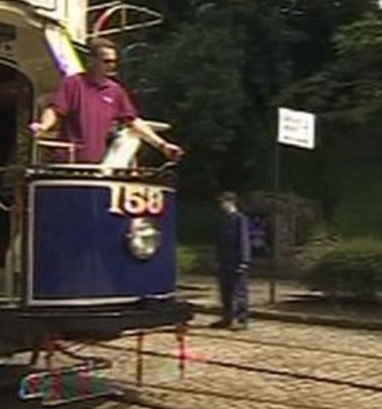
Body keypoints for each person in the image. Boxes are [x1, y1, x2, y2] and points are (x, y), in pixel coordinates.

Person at [29, 37, 183, 164]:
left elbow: (134, 122)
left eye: (114, 62)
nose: (112, 66)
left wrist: (162, 145)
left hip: (97, 165)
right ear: (91, 61)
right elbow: (55, 109)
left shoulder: (116, 91)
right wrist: (43, 126)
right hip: (68, 163)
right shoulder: (73, 83)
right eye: (106, 61)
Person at [211, 191, 250, 330]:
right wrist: (217, 259)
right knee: (225, 291)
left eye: (223, 202)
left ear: (231, 202)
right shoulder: (223, 219)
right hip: (224, 260)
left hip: (236, 260)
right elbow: (219, 242)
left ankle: (241, 319)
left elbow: (243, 240)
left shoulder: (240, 219)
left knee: (239, 291)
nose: (221, 205)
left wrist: (244, 261)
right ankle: (227, 317)